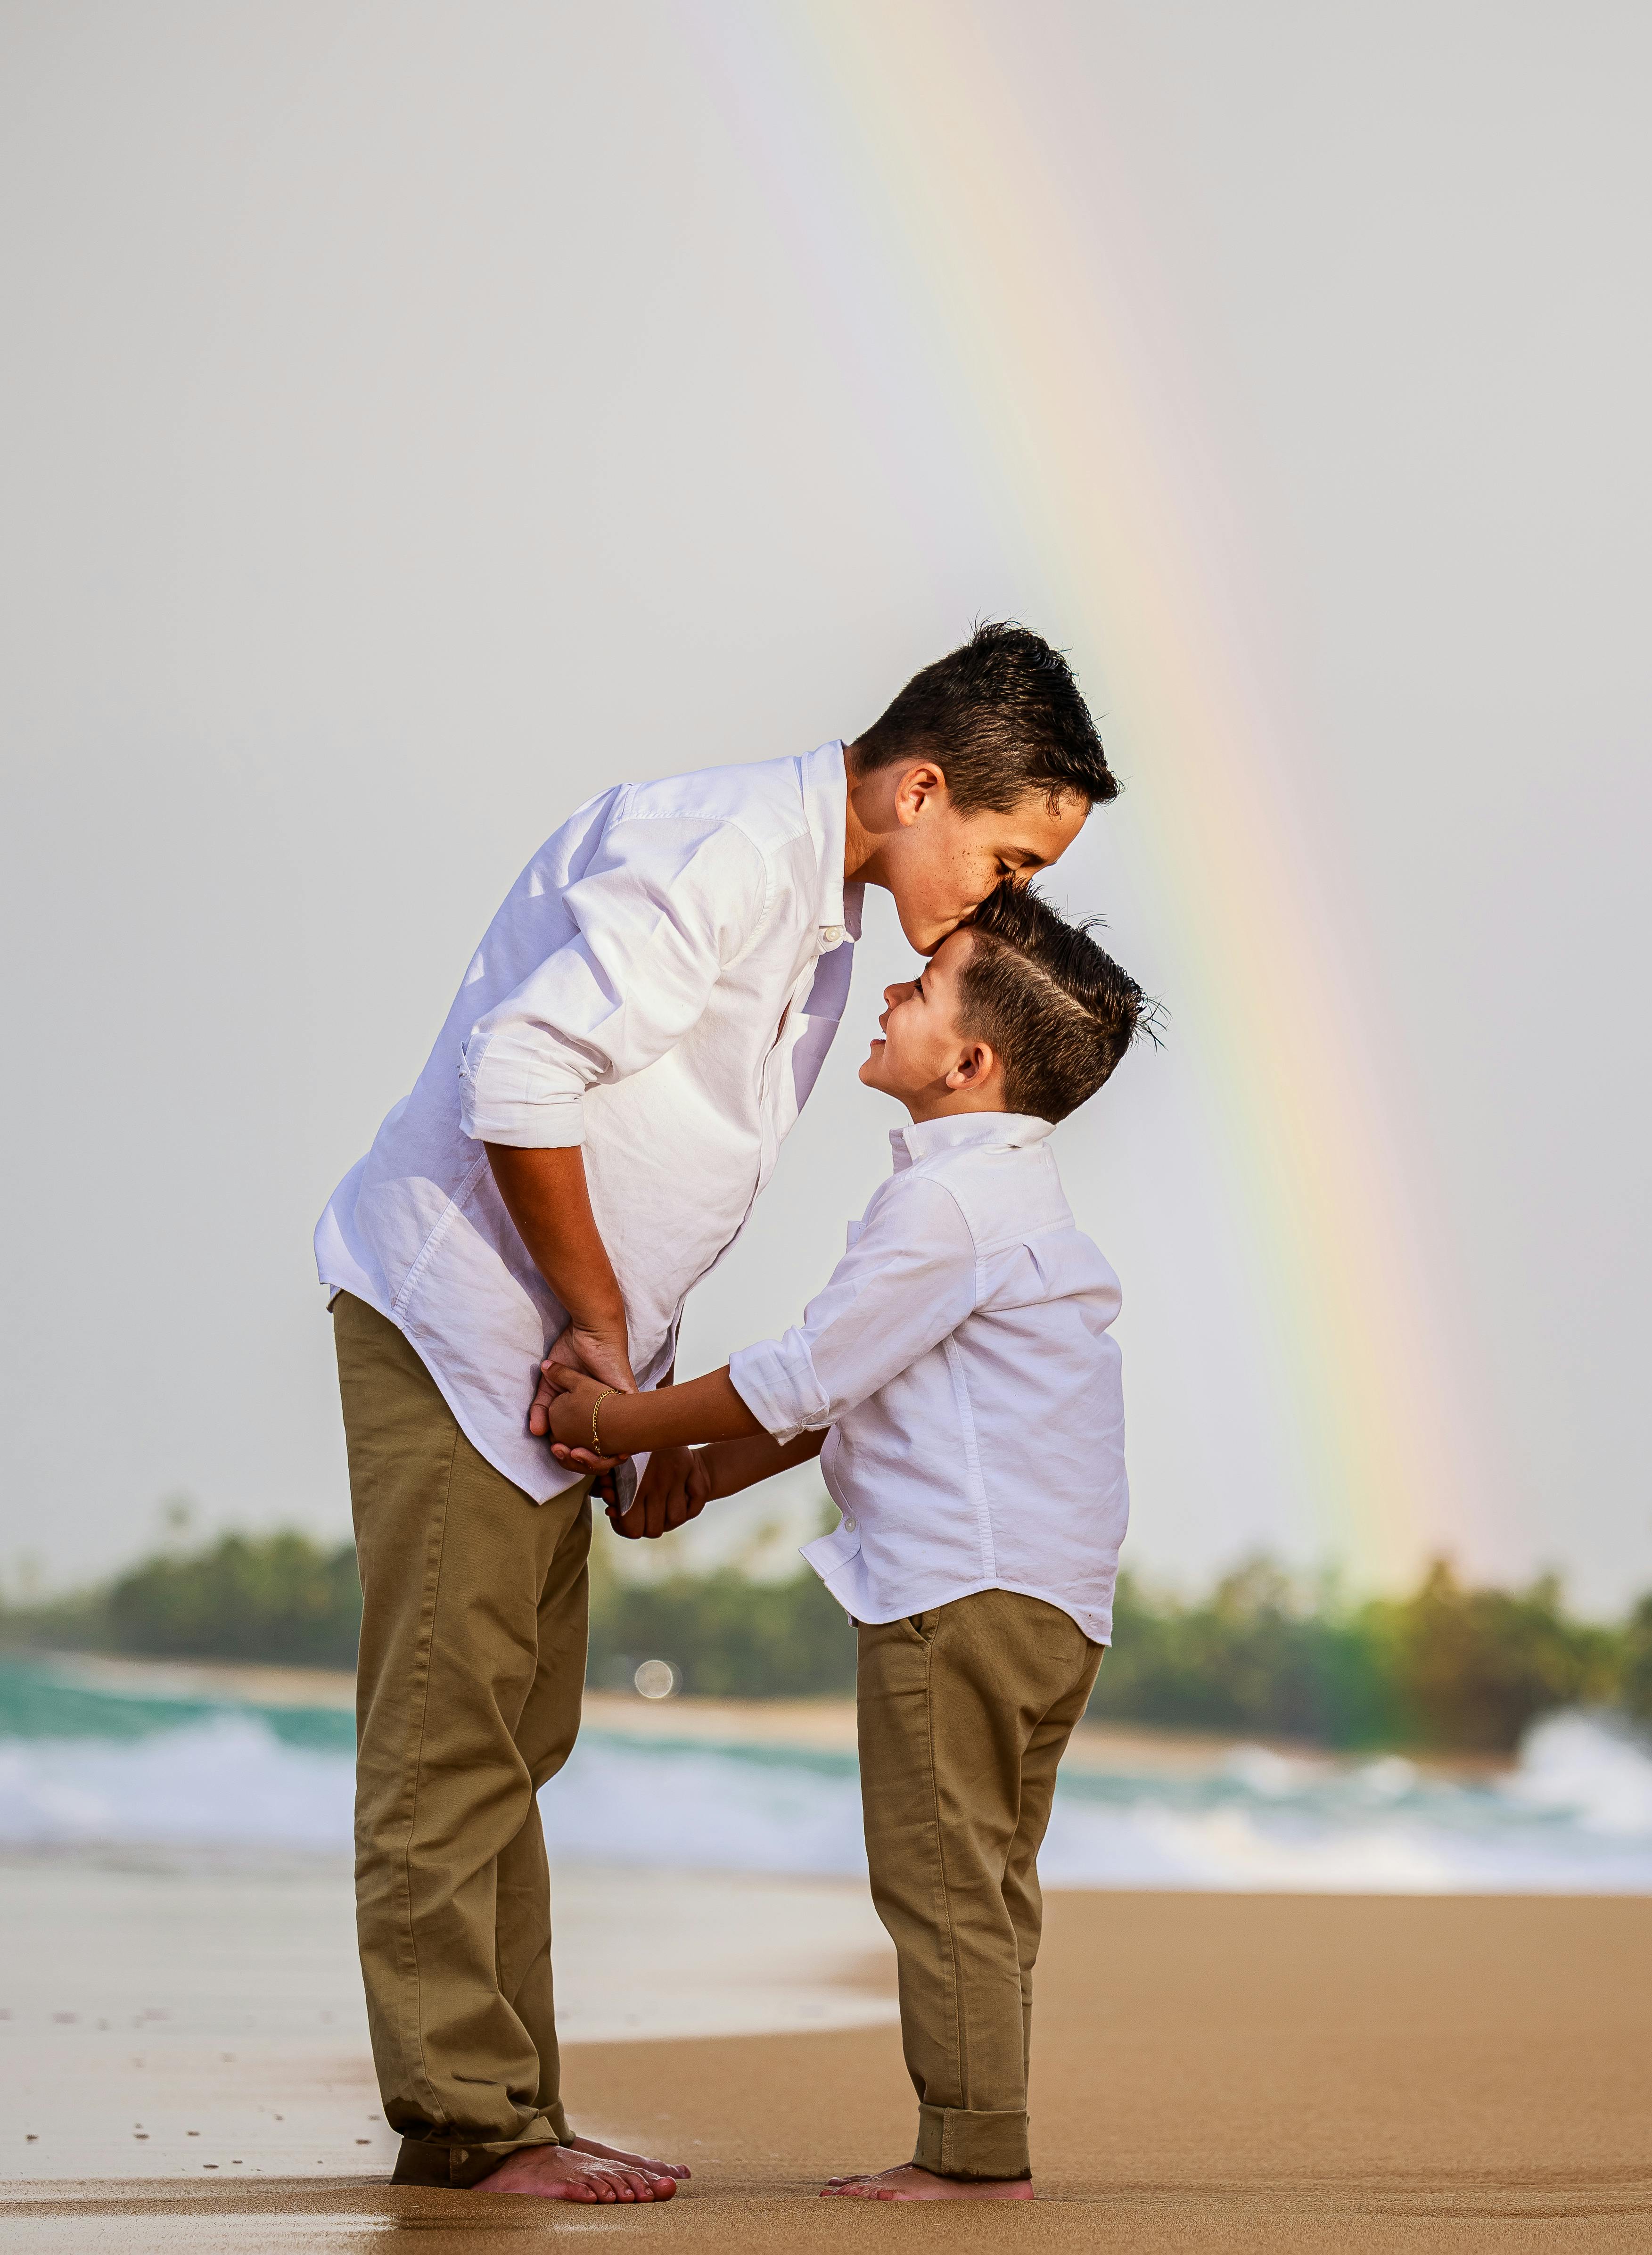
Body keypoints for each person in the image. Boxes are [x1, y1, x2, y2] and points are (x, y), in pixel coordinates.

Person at [313, 626, 1118, 2202]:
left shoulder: (820, 916)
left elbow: (688, 1186)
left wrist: (645, 1401)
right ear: (924, 786)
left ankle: (501, 2109)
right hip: (475, 1321)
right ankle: (472, 2124)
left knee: (513, 1730)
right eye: (1008, 853)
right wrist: (608, 1342)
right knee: (451, 1727)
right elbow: (524, 1071)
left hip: (560, 1362)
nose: (1007, 894)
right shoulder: (730, 856)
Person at [541, 882, 1151, 2202]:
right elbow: (855, 1388)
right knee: (987, 1878)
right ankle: (983, 2126)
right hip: (1051, 1601)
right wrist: (697, 1474)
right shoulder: (1008, 1205)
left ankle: (973, 2156)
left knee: (938, 1879)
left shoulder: (949, 1210)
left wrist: (619, 1415)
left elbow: (811, 1373)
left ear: (972, 1063)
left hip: (961, 1589)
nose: (888, 993)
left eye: (921, 990)